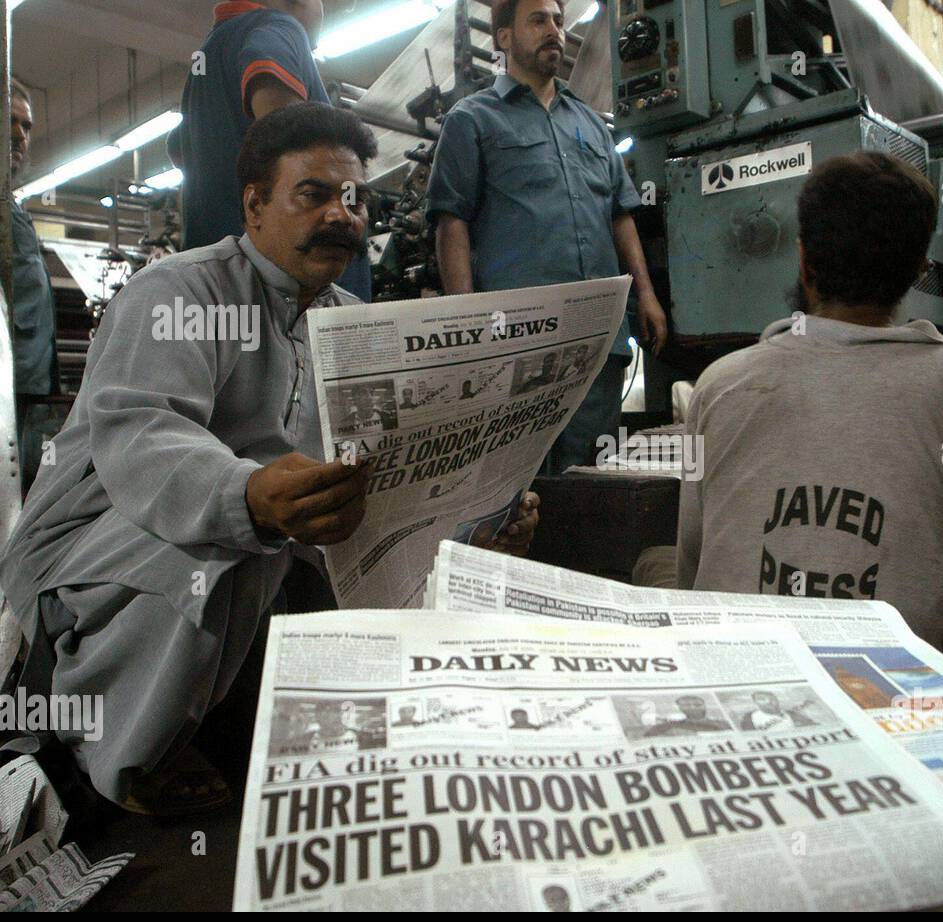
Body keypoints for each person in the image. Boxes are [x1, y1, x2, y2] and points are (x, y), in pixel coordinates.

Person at [0, 103, 539, 814]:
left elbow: (378, 471)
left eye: (356, 199)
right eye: (314, 195)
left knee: (356, 546)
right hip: (89, 551)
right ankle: (118, 748)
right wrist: (247, 493)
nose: (343, 216)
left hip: (253, 546)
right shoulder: (179, 291)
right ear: (254, 206)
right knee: (240, 537)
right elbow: (142, 437)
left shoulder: (347, 322)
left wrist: (473, 520)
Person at [674, 152, 943, 743]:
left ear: (803, 260)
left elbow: (695, 570)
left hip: (746, 706)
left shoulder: (718, 386)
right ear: (920, 272)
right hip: (913, 717)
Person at [427, 0, 668, 474]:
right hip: (516, 342)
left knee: (590, 476)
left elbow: (620, 215)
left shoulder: (592, 125)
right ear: (504, 38)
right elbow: (450, 221)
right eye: (538, 20)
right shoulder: (472, 119)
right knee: (516, 482)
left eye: (558, 20)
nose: (554, 30)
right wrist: (464, 322)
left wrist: (647, 294)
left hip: (598, 338)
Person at [174, 0, 371, 300]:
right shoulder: (276, 27)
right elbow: (292, 144)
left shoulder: (208, 55)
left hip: (216, 281)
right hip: (284, 289)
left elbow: (176, 149)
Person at [8, 79, 59, 490]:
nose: (19, 135)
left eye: (26, 126)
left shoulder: (11, 207)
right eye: (9, 121)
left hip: (27, 381)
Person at [642, 696, 730, 737]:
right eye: (687, 705)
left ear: (704, 706)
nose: (692, 707)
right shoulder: (669, 725)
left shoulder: (723, 723)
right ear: (680, 708)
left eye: (697, 704)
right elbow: (648, 736)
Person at [739, 691, 814, 732]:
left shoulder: (790, 713)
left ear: (777, 700)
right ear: (756, 703)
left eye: (772, 698)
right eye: (762, 699)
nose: (768, 701)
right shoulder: (750, 717)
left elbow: (812, 725)